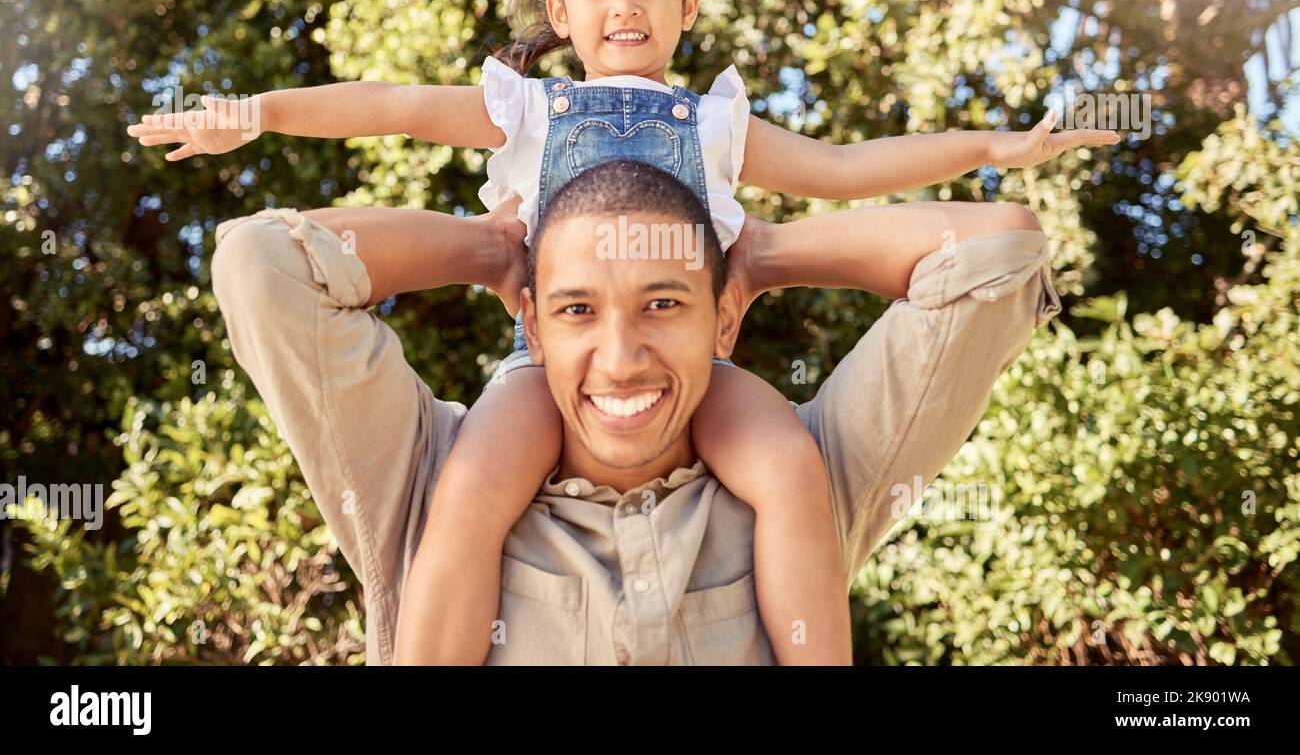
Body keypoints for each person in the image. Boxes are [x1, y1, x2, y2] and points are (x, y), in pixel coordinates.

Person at [130, 0, 1116, 664]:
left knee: (785, 469)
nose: (626, 5)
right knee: (471, 491)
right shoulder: (526, 110)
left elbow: (850, 167)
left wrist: (994, 149)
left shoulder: (719, 123)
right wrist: (256, 116)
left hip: (701, 373)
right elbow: (386, 103)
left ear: (688, 2)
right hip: (541, 378)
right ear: (560, 12)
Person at [210, 158, 1065, 664]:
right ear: (533, 325)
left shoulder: (811, 475)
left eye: (665, 304)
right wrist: (487, 249)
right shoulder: (424, 477)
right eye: (577, 310)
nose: (620, 359)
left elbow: (996, 255)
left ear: (723, 319)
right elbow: (261, 263)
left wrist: (761, 254)